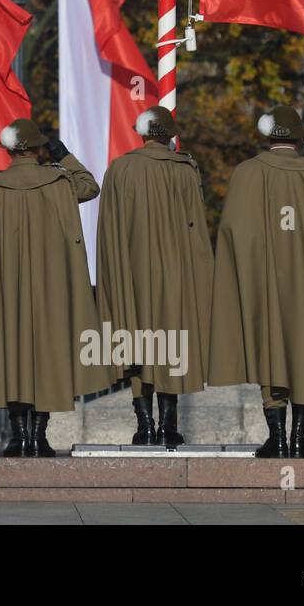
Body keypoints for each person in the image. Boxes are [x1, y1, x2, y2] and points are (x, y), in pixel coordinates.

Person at [208, 106, 304, 458]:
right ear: (299, 136)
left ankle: (277, 438)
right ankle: (300, 438)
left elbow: (234, 232)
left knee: (272, 351)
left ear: (267, 135)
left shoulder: (247, 172)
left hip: (266, 279)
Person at [0, 118, 111, 457]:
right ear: (37, 148)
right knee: (47, 355)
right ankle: (39, 437)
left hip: (7, 285)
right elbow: (90, 186)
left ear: (10, 150)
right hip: (50, 285)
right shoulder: (58, 183)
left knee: (12, 354)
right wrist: (64, 155)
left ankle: (18, 437)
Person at [95, 106, 235, 448]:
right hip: (175, 272)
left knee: (137, 343)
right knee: (171, 344)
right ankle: (168, 426)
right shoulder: (184, 169)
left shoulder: (120, 168)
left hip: (132, 271)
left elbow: (110, 229)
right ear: (170, 135)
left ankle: (144, 426)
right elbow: (195, 230)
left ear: (143, 133)